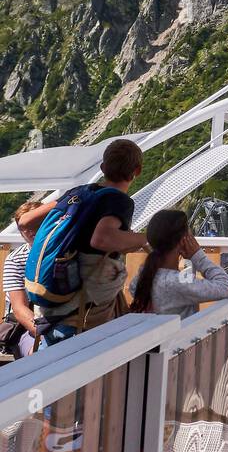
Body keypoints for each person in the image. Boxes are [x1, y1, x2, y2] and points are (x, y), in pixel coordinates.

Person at [35, 137, 150, 347]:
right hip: (81, 317)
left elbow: (25, 222)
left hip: (55, 309)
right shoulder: (118, 201)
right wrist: (146, 238)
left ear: (103, 167)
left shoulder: (79, 194)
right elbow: (102, 239)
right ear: (137, 171)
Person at [130, 209, 228, 319]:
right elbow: (227, 287)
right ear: (183, 240)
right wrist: (198, 257)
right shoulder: (174, 283)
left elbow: (184, 284)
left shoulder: (143, 276)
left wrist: (188, 260)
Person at [2, 198, 58, 356]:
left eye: (36, 224)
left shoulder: (63, 253)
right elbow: (20, 309)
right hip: (26, 326)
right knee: (39, 354)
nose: (30, 231)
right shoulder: (16, 260)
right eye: (24, 228)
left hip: (62, 318)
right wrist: (44, 335)